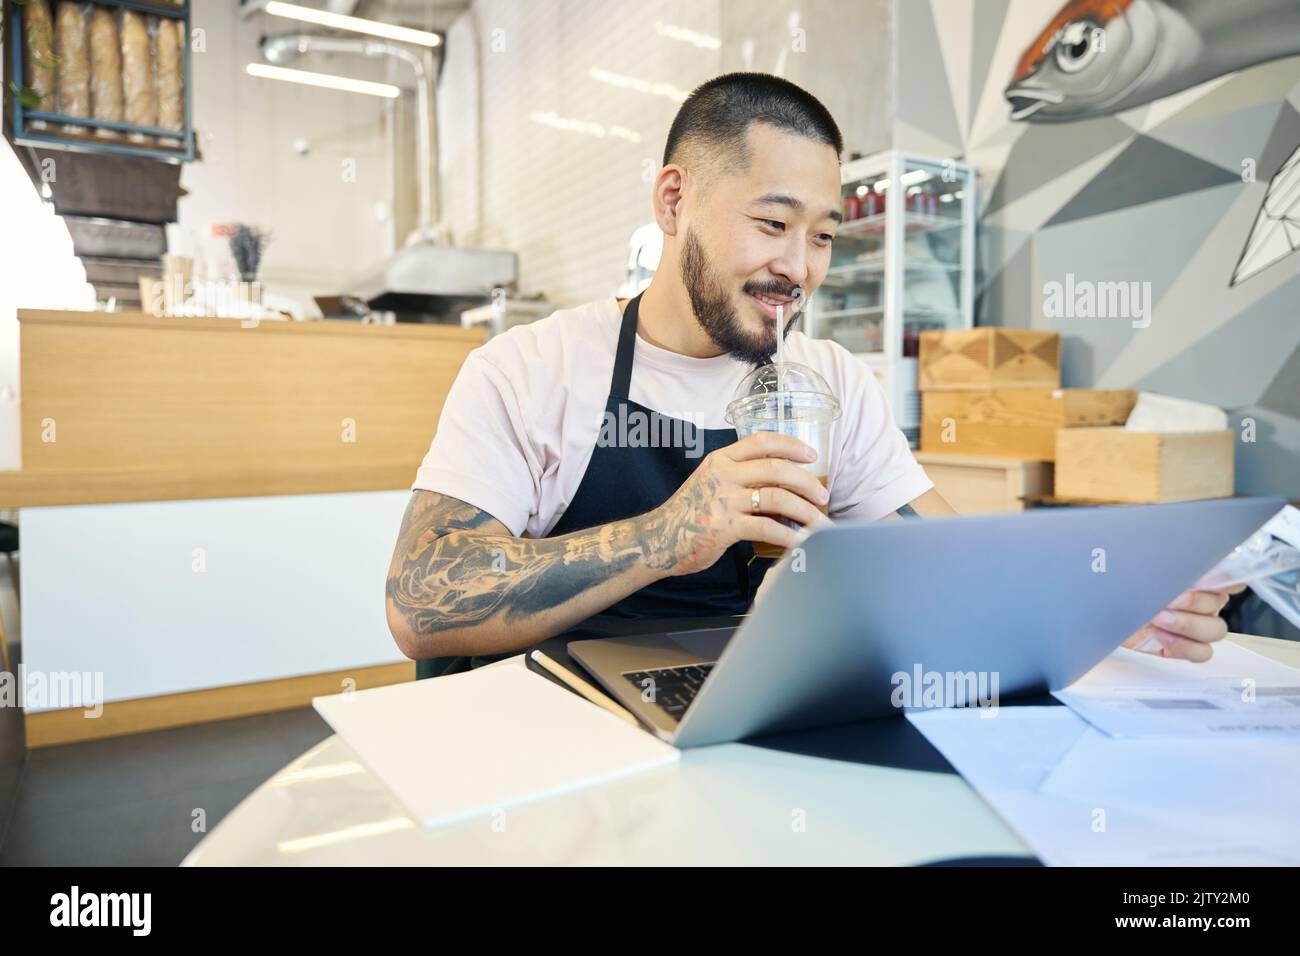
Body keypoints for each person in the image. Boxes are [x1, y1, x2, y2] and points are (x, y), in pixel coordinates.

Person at [386, 72, 1240, 665]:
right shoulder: (531, 371)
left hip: (751, 713)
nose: (800, 267)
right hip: (556, 730)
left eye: (825, 234)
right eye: (772, 223)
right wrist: (672, 532)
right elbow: (422, 604)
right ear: (673, 200)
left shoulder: (829, 382)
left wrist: (1110, 601)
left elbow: (943, 553)